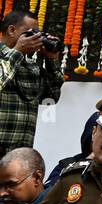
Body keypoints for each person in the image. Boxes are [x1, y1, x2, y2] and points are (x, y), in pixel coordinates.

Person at [0, 10, 63, 158]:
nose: (36, 38)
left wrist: (51, 61)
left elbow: (50, 99)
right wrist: (17, 52)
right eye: (31, 33)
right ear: (12, 30)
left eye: (38, 34)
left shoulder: (32, 66)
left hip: (19, 157)